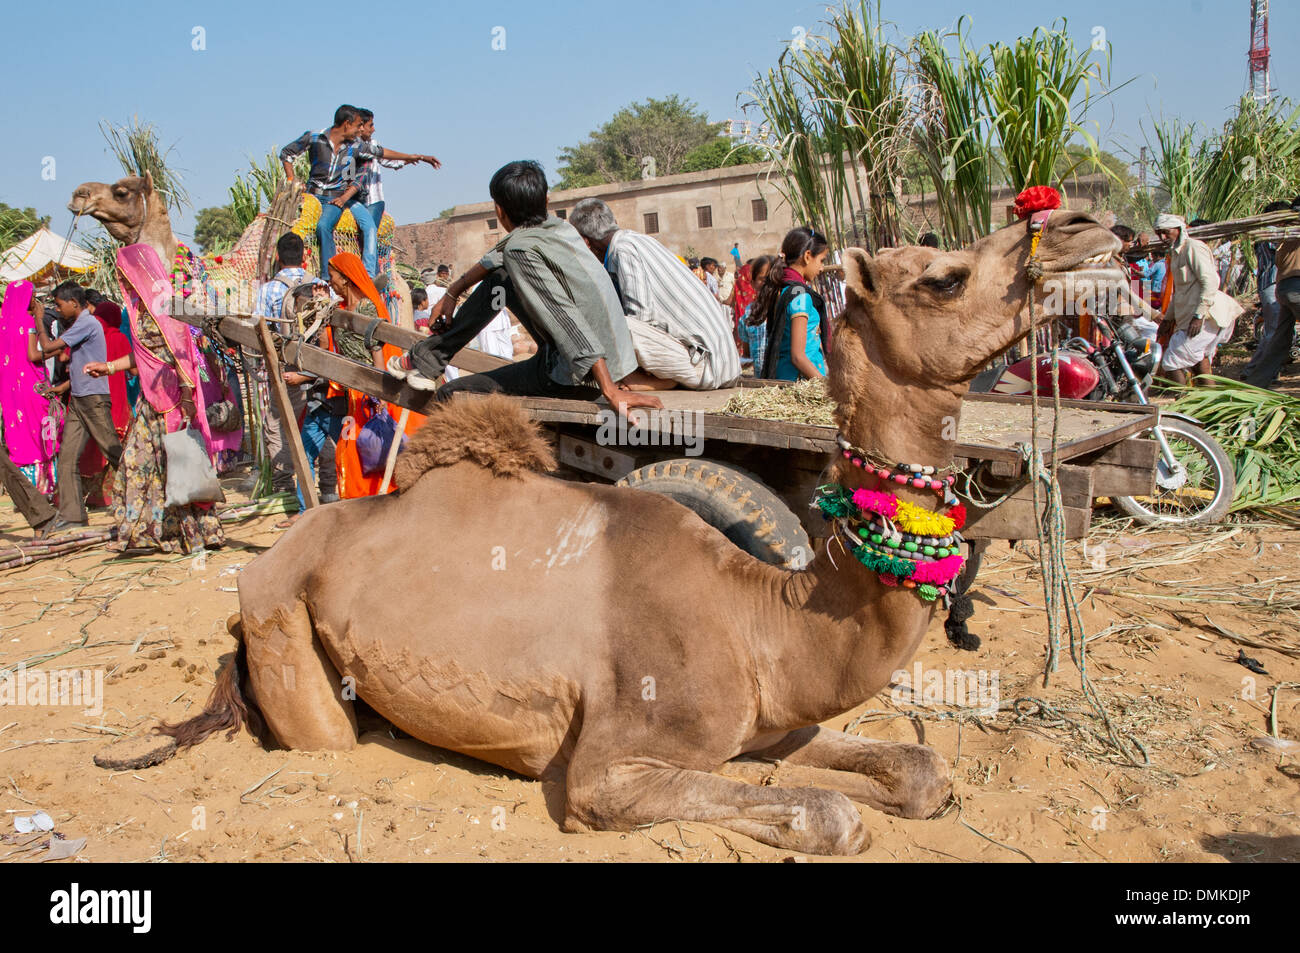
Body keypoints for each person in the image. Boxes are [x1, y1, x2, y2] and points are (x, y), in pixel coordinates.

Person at [387, 160, 661, 417]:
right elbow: (499, 252)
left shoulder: (521, 250)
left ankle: (427, 362)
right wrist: (452, 291)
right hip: (607, 363)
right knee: (500, 276)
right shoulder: (559, 228)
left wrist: (609, 389)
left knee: (449, 393)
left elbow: (566, 318)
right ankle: (428, 359)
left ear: (499, 211)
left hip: (580, 373)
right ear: (546, 201)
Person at [86, 244, 225, 554]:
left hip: (173, 402)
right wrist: (107, 367)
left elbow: (181, 356)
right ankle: (145, 533)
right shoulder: (137, 311)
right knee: (137, 465)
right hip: (149, 403)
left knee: (180, 467)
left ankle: (196, 534)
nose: (123, 278)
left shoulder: (166, 307)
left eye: (125, 272)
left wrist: (188, 396)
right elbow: (142, 358)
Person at [568, 197, 740, 390]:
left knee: (606, 322)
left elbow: (640, 318)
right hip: (721, 365)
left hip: (707, 368)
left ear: (585, 242)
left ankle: (648, 380)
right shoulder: (637, 240)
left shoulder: (623, 249)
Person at [281, 105, 422, 281]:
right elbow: (287, 154)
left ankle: (329, 277)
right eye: (357, 126)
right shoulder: (314, 137)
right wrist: (291, 180)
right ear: (347, 124)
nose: (359, 130)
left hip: (335, 198)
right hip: (312, 194)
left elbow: (381, 152)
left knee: (324, 226)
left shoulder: (356, 147)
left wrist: (412, 157)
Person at [34, 282, 123, 528]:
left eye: (60, 305)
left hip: (93, 398)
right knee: (67, 457)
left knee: (114, 452)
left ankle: (147, 497)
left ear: (74, 303)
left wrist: (40, 320)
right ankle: (73, 515)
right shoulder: (82, 324)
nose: (59, 311)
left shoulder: (86, 322)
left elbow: (49, 348)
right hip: (80, 398)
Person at [251, 232, 314, 492]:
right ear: (304, 256)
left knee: (277, 424)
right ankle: (330, 483)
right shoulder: (321, 284)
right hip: (320, 366)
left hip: (285, 368)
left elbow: (258, 332)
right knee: (319, 419)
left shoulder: (267, 290)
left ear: (277, 257)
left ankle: (284, 483)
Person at [1155, 214, 1237, 386]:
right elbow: (1179, 292)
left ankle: (1182, 401)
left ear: (1178, 230)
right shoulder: (1175, 253)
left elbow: (1211, 282)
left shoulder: (1192, 247)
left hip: (1208, 315)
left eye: (1165, 232)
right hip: (1190, 316)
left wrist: (1199, 316)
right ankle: (1208, 405)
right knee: (1199, 364)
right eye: (1158, 233)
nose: (1162, 238)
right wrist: (1168, 319)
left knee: (1172, 361)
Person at [1, 281, 61, 500]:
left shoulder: (2, 325)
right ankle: (44, 488)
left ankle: (23, 492)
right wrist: (61, 349)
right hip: (32, 389)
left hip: (9, 394)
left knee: (18, 436)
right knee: (41, 435)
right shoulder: (28, 322)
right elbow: (34, 355)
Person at [353, 107, 441, 242]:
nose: (373, 129)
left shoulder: (373, 144)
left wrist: (417, 158)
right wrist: (416, 157)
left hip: (374, 200)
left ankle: (369, 263)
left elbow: (389, 161)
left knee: (369, 236)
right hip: (355, 199)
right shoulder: (350, 147)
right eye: (371, 125)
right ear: (360, 126)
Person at [753, 227, 829, 381]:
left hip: (785, 377)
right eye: (821, 260)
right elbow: (798, 357)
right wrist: (824, 387)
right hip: (800, 383)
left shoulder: (783, 289)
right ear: (808, 256)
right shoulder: (800, 296)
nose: (821, 268)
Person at [1242, 200, 1295, 386]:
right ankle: (1254, 372)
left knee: (1278, 335)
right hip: (1279, 285)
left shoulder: (1279, 233)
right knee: (1274, 333)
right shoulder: (1274, 233)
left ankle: (1259, 376)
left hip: (1278, 286)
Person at [738, 255, 775, 371]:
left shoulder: (785, 309)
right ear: (753, 282)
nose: (768, 284)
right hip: (761, 383)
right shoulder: (748, 314)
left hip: (784, 381)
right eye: (763, 279)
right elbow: (747, 354)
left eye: (772, 279)